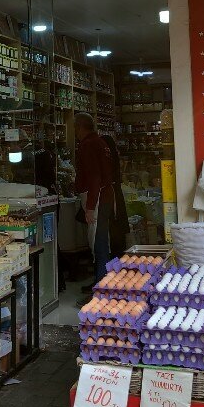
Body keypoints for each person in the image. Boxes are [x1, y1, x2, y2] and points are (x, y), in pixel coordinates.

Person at [73, 113, 115, 285]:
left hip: (97, 198)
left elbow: (94, 177)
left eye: (75, 128)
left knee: (98, 242)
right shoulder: (101, 143)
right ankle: (102, 280)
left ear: (79, 127)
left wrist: (90, 207)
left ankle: (102, 284)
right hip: (105, 196)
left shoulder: (88, 145)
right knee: (102, 239)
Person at [101, 134, 130, 257]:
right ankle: (118, 253)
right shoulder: (114, 158)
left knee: (114, 226)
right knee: (118, 225)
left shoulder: (108, 160)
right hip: (116, 195)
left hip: (111, 196)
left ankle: (114, 253)